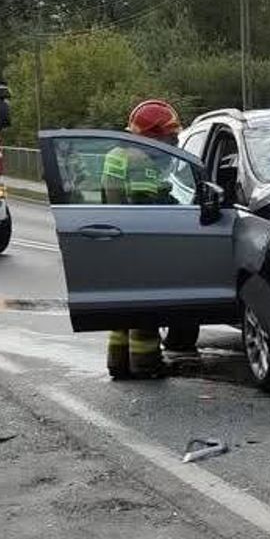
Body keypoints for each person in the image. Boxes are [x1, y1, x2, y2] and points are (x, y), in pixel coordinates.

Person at [101, 98, 182, 380]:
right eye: (170, 135)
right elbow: (146, 203)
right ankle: (146, 364)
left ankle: (118, 363)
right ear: (153, 136)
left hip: (116, 239)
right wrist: (173, 204)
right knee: (146, 308)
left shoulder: (116, 153)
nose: (174, 141)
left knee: (123, 309)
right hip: (139, 240)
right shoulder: (142, 160)